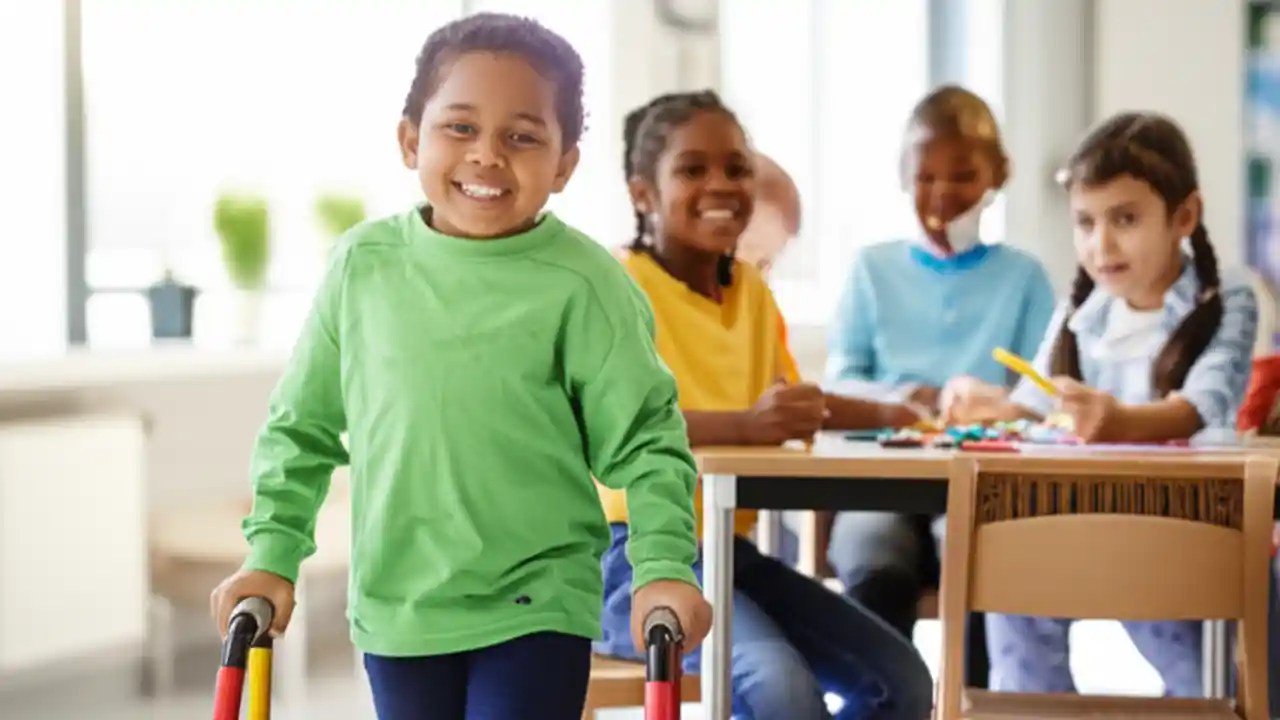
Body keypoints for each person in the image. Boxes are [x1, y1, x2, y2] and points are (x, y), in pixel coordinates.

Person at [206, 14, 711, 720]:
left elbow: (648, 442)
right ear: (411, 139)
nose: (488, 155)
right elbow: (302, 429)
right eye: (460, 128)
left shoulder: (583, 284)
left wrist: (662, 567)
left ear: (565, 163)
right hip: (400, 607)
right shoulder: (363, 268)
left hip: (539, 601)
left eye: (524, 136)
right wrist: (272, 551)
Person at [595, 89, 933, 720]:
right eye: (693, 170)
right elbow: (611, 423)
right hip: (629, 557)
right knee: (777, 688)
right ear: (643, 193)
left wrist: (895, 413)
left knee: (903, 683)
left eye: (737, 168)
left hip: (728, 550)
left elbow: (790, 406)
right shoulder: (616, 286)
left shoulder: (748, 290)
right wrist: (748, 427)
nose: (721, 185)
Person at [943, 111, 1259, 695]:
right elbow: (1039, 404)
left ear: (1184, 216)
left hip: (1186, 535)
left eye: (1126, 219)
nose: (1101, 244)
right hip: (1086, 524)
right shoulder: (1080, 312)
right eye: (1085, 223)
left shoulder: (1227, 295)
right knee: (1013, 580)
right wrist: (995, 405)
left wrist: (1119, 421)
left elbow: (1204, 404)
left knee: (1207, 691)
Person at [824, 85, 1056, 653]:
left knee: (988, 564)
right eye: (926, 177)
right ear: (904, 176)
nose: (942, 194)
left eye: (963, 176)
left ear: (998, 175)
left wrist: (1000, 404)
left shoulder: (1024, 278)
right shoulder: (870, 269)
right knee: (873, 559)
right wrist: (911, 397)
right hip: (882, 484)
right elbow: (837, 381)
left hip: (986, 489)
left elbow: (1047, 395)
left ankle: (975, 706)